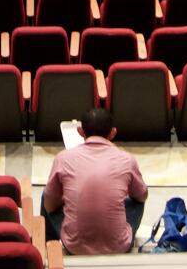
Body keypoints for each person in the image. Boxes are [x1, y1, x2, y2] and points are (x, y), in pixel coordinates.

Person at [41, 108, 146, 255]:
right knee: (136, 200)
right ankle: (121, 236)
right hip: (118, 246)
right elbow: (142, 195)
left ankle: (48, 248)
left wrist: (68, 199)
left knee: (46, 195)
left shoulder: (63, 158)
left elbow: (49, 205)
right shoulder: (127, 159)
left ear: (80, 131)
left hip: (74, 246)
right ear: (113, 133)